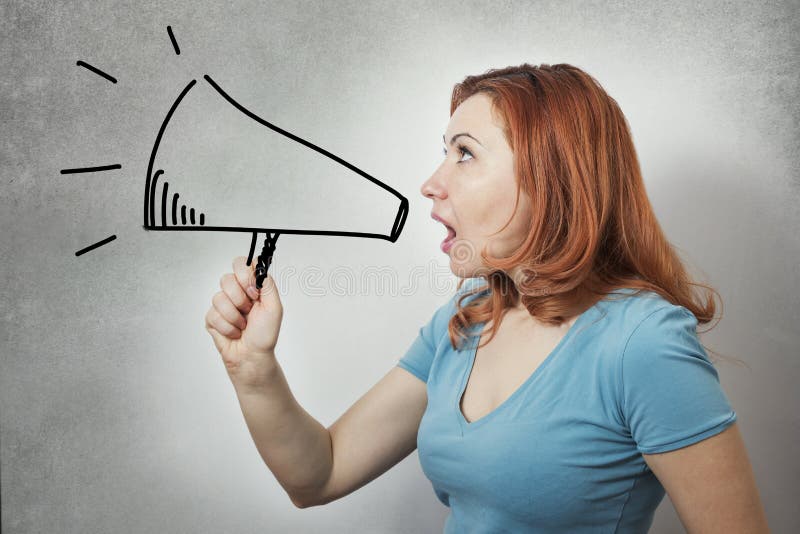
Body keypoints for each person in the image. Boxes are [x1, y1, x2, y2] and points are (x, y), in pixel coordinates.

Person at [204, 63, 770, 532]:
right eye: (445, 151)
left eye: (465, 153)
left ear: (552, 178)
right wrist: (253, 369)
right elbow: (319, 476)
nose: (431, 183)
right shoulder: (466, 320)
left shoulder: (642, 344)